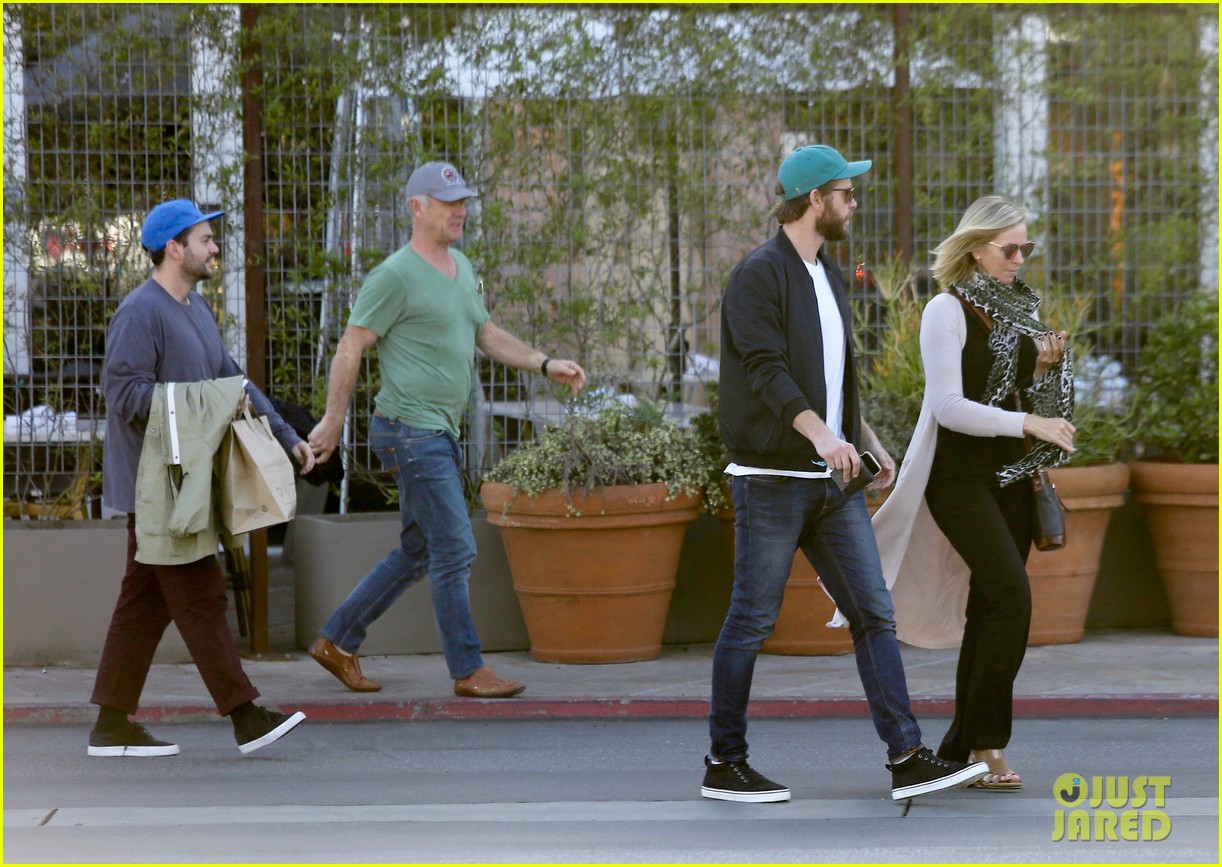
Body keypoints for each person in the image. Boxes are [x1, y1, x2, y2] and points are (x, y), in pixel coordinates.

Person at [704, 145, 988, 803]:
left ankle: (907, 755)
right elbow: (766, 371)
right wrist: (823, 436)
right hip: (772, 477)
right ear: (814, 200)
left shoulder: (830, 275)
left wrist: (868, 442)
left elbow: (832, 380)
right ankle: (725, 761)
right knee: (751, 617)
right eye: (846, 193)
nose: (854, 203)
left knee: (873, 612)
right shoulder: (759, 275)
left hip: (832, 482)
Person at [307, 161, 586, 698]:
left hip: (437, 431)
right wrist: (333, 420)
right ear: (417, 207)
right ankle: (467, 669)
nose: (460, 210)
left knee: (420, 551)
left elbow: (484, 330)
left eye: (462, 201)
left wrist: (545, 363)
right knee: (455, 546)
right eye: (448, 201)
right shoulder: (392, 275)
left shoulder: (464, 265)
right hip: (410, 430)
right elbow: (350, 346)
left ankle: (336, 641)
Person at [90, 199, 315, 757]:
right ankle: (245, 717)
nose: (215, 249)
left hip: (178, 482)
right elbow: (123, 395)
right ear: (174, 248)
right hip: (159, 486)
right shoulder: (141, 313)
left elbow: (231, 382)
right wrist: (200, 404)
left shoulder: (193, 309)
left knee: (143, 604)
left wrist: (285, 435)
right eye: (206, 239)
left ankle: (111, 725)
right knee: (201, 596)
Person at [872, 196, 1075, 790]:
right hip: (958, 480)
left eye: (1026, 248)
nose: (1019, 259)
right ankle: (982, 744)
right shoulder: (945, 309)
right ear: (976, 248)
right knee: (1012, 597)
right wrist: (1030, 425)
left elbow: (1014, 396)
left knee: (991, 610)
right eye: (1009, 248)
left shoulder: (1018, 311)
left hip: (1009, 477)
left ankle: (969, 747)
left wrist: (1040, 376)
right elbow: (948, 407)